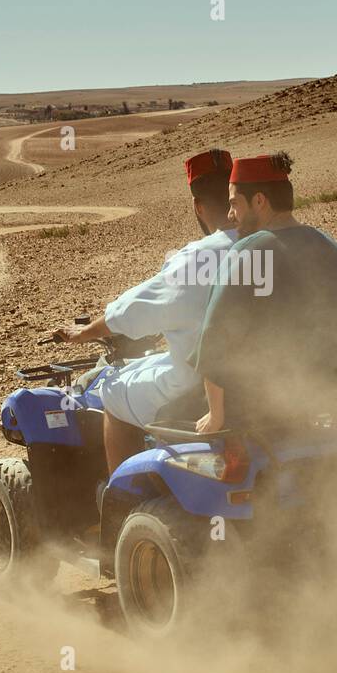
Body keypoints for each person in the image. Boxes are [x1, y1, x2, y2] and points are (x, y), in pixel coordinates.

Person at [188, 152, 337, 434]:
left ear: (259, 201)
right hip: (326, 404)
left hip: (261, 414)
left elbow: (215, 340)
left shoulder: (246, 251)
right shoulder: (323, 244)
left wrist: (215, 416)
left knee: (170, 410)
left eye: (234, 204)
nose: (230, 215)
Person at [49, 148, 237, 474]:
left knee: (112, 392)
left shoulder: (196, 258)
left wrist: (84, 333)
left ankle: (122, 501)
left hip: (195, 382)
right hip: (256, 378)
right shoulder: (269, 244)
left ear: (198, 206)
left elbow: (131, 312)